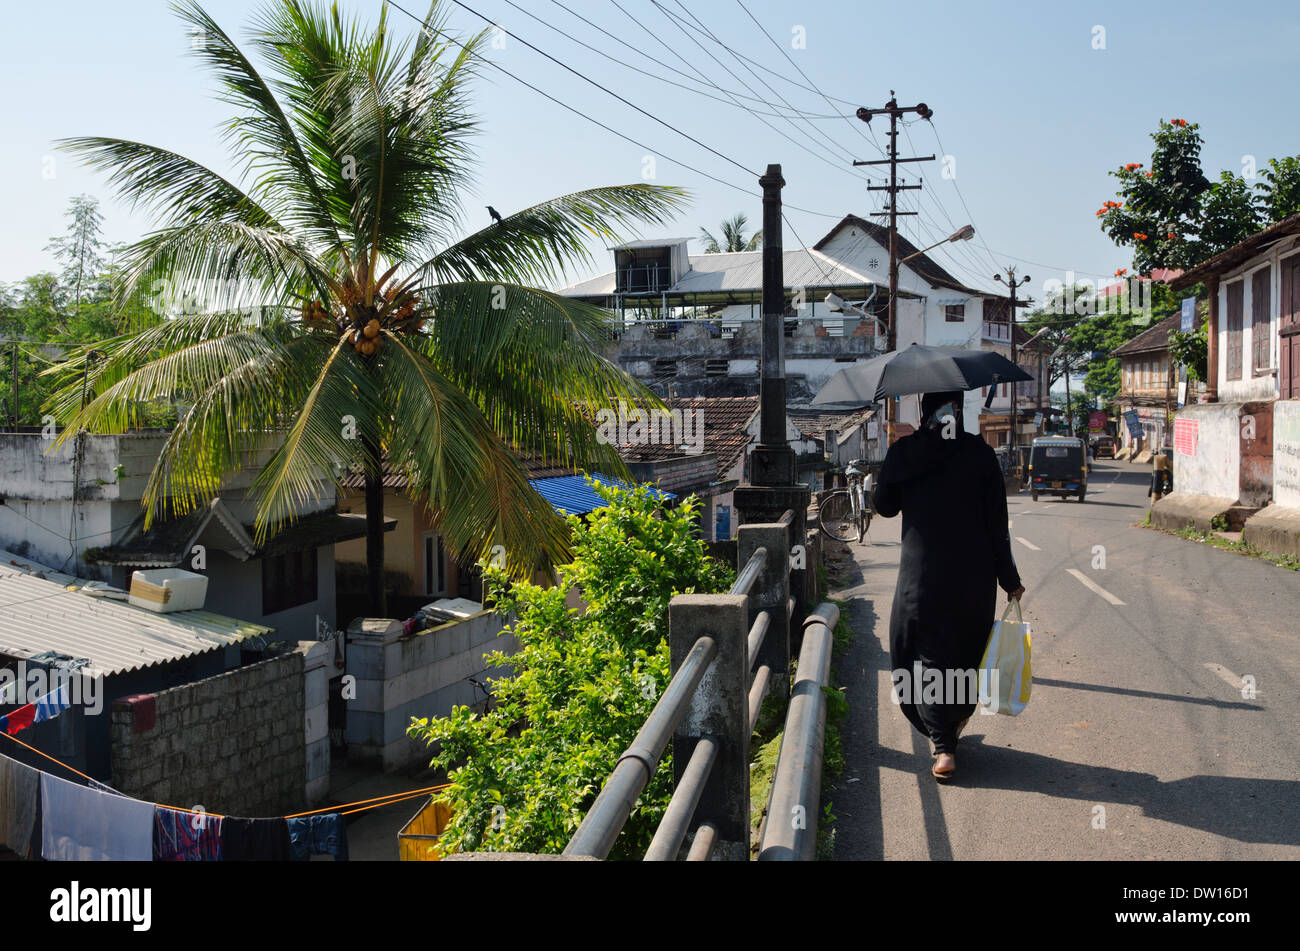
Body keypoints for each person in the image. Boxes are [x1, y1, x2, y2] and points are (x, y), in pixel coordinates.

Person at [873, 391, 1025, 781]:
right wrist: (1009, 578)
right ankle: (947, 736)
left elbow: (884, 506)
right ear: (959, 408)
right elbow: (997, 524)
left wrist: (892, 467)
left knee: (923, 653)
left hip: (920, 575)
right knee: (961, 654)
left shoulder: (905, 452)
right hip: (973, 578)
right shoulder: (978, 453)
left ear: (925, 411)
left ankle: (943, 747)